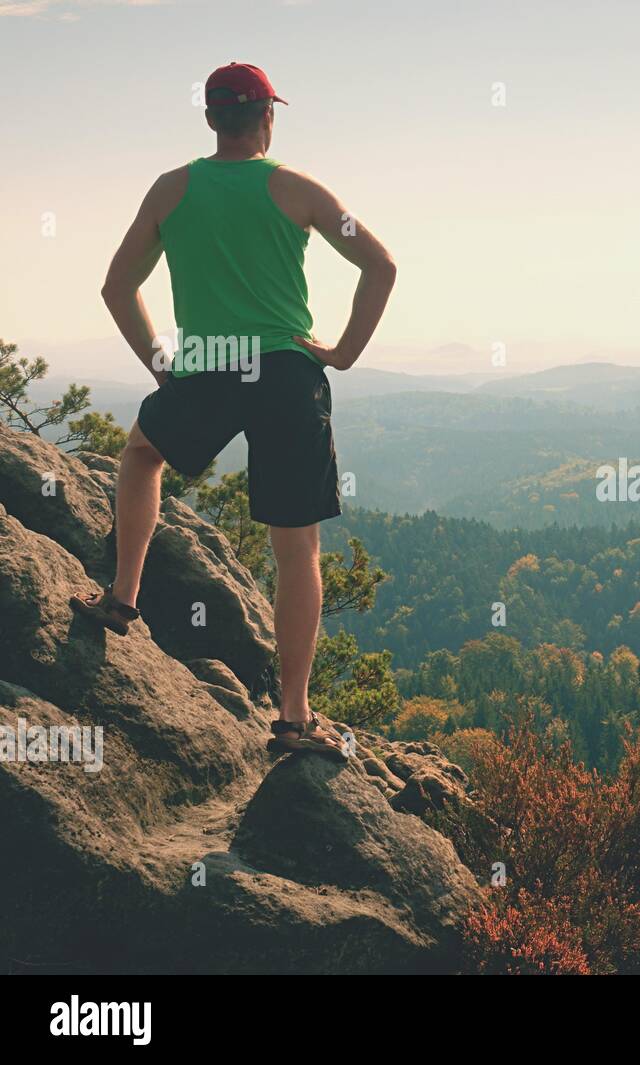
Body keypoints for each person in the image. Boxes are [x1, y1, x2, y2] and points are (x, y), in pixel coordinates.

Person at [72, 62, 397, 761]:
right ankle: (293, 716)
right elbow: (381, 265)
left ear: (211, 118)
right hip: (286, 370)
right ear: (267, 117)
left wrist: (161, 364)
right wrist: (341, 352)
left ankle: (124, 596)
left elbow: (116, 285)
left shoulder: (171, 191)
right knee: (296, 548)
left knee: (139, 457)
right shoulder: (300, 189)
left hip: (209, 366)